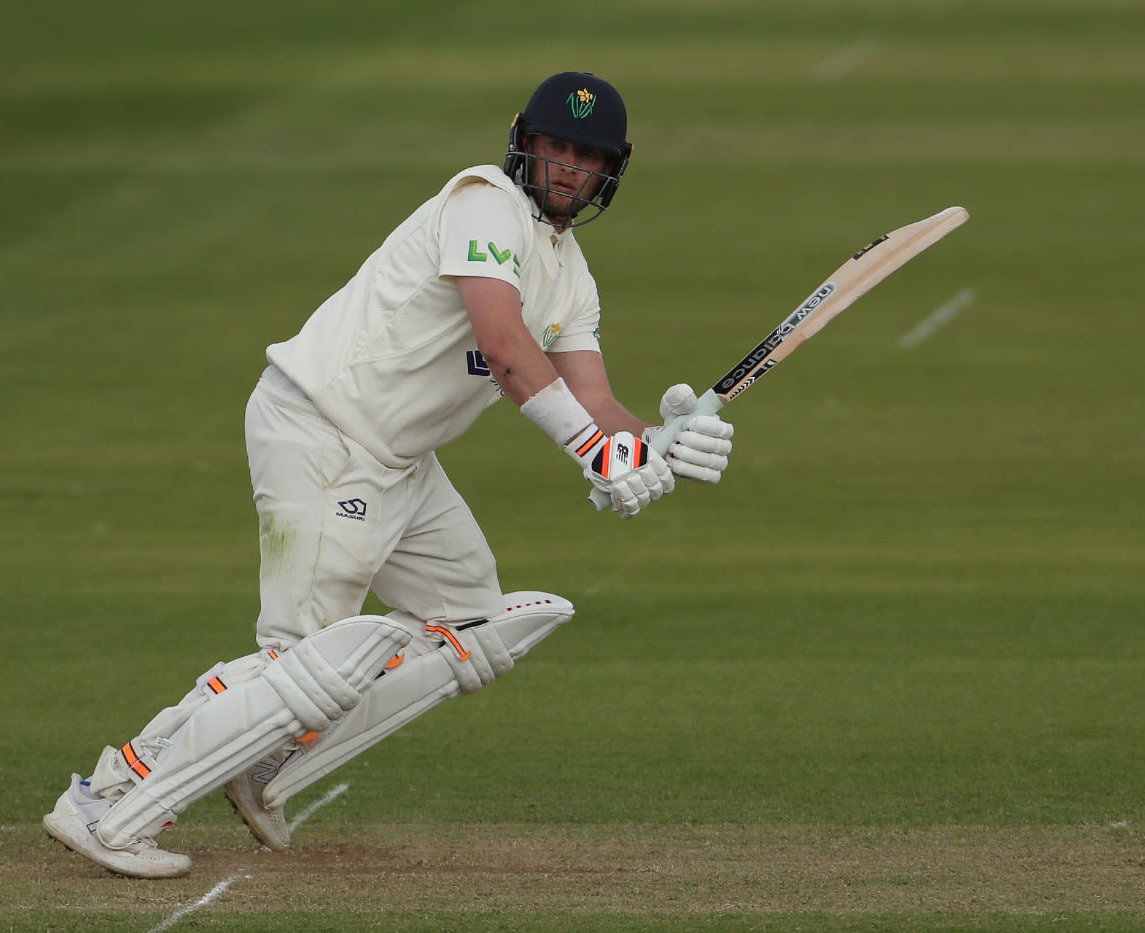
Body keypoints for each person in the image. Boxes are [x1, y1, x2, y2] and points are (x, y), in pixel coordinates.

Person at [43, 71, 735, 879]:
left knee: (470, 618)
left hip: (399, 461)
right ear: (523, 142)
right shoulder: (483, 203)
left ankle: (262, 757)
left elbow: (595, 401)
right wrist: (596, 451)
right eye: (556, 147)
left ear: (611, 171)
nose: (568, 168)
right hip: (323, 428)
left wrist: (658, 441)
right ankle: (113, 798)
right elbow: (507, 345)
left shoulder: (570, 273)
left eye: (587, 155)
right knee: (301, 658)